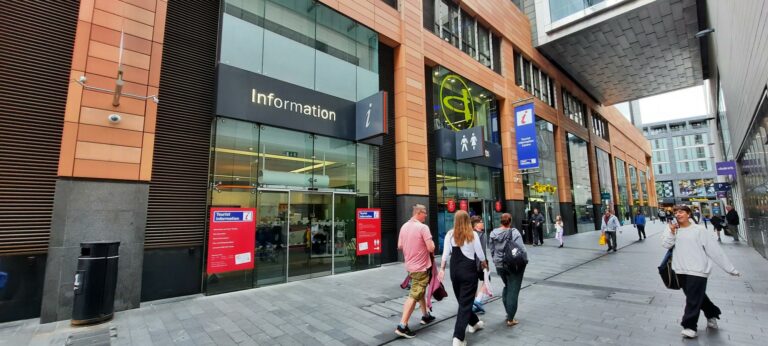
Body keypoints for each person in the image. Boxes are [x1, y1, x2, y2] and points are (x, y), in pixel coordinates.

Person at [661, 205, 741, 339]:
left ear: (688, 214)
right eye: (676, 212)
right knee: (698, 296)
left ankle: (689, 326)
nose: (677, 214)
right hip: (680, 270)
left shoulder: (699, 230)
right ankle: (712, 313)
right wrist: (671, 232)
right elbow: (666, 245)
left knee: (693, 298)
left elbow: (715, 251)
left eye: (681, 212)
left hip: (699, 270)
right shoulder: (673, 229)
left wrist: (730, 269)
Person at [438, 211, 487, 346]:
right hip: (468, 272)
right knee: (465, 303)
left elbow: (445, 254)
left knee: (463, 301)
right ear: (467, 220)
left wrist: (442, 269)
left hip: (455, 272)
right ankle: (458, 337)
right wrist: (485, 265)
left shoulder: (449, 234)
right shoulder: (473, 234)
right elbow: (480, 254)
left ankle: (474, 323)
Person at [395, 204, 436, 339]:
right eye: (425, 213)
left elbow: (400, 246)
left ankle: (425, 316)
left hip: (410, 266)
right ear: (418, 212)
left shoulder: (404, 226)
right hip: (421, 267)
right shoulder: (423, 228)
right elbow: (431, 248)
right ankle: (402, 325)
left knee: (419, 290)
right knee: (414, 294)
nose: (426, 215)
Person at [489, 213, 527, 327]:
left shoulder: (493, 233)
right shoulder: (514, 232)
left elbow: (491, 249)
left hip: (499, 265)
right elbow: (522, 249)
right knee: (513, 291)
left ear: (501, 221)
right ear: (510, 221)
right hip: (513, 265)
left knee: (507, 286)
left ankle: (508, 312)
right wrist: (525, 260)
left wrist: (496, 260)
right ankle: (511, 318)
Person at [470, 216, 488, 315]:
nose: (483, 223)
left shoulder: (470, 234)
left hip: (471, 262)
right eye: (481, 222)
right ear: (476, 225)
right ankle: (477, 301)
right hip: (481, 262)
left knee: (475, 282)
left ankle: (474, 303)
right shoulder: (482, 235)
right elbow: (482, 251)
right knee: (486, 280)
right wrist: (484, 262)